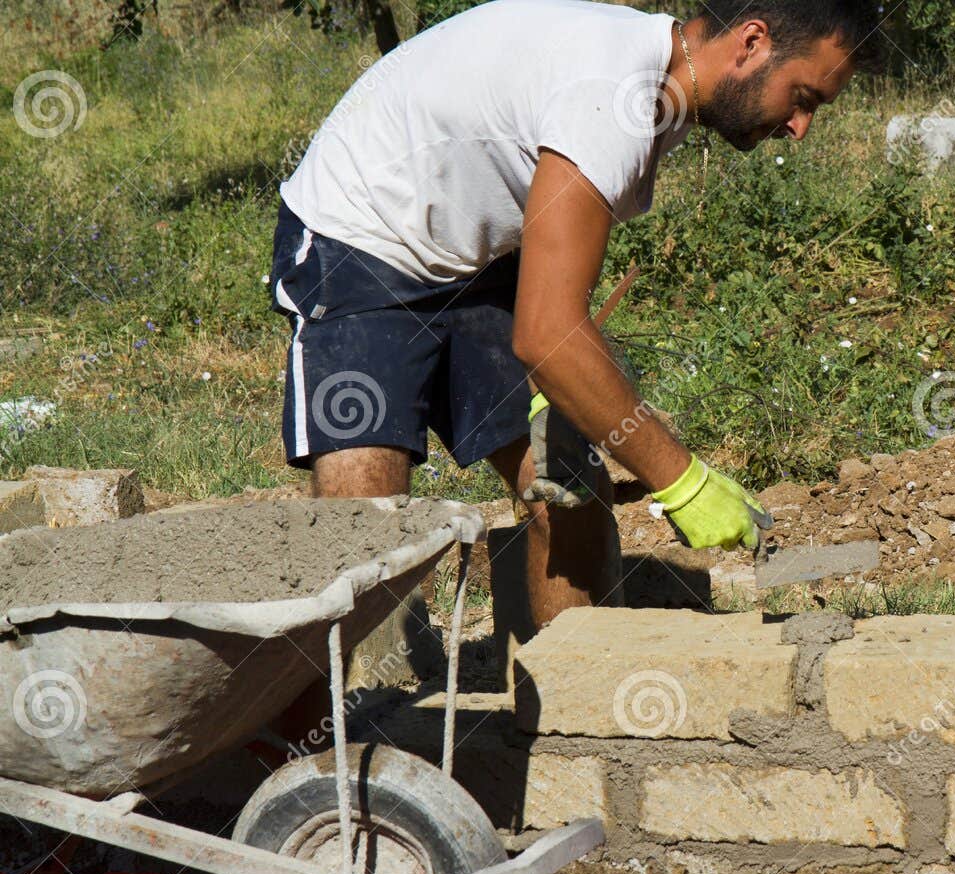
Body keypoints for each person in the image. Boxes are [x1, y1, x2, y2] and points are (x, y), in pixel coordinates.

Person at [270, 0, 882, 629]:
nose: (800, 126)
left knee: (568, 491)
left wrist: (560, 383)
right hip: (362, 236)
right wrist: (684, 480)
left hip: (477, 257)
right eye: (803, 96)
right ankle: (312, 711)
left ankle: (569, 709)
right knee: (365, 527)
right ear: (751, 43)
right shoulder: (611, 92)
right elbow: (547, 332)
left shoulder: (659, 92)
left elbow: (561, 282)